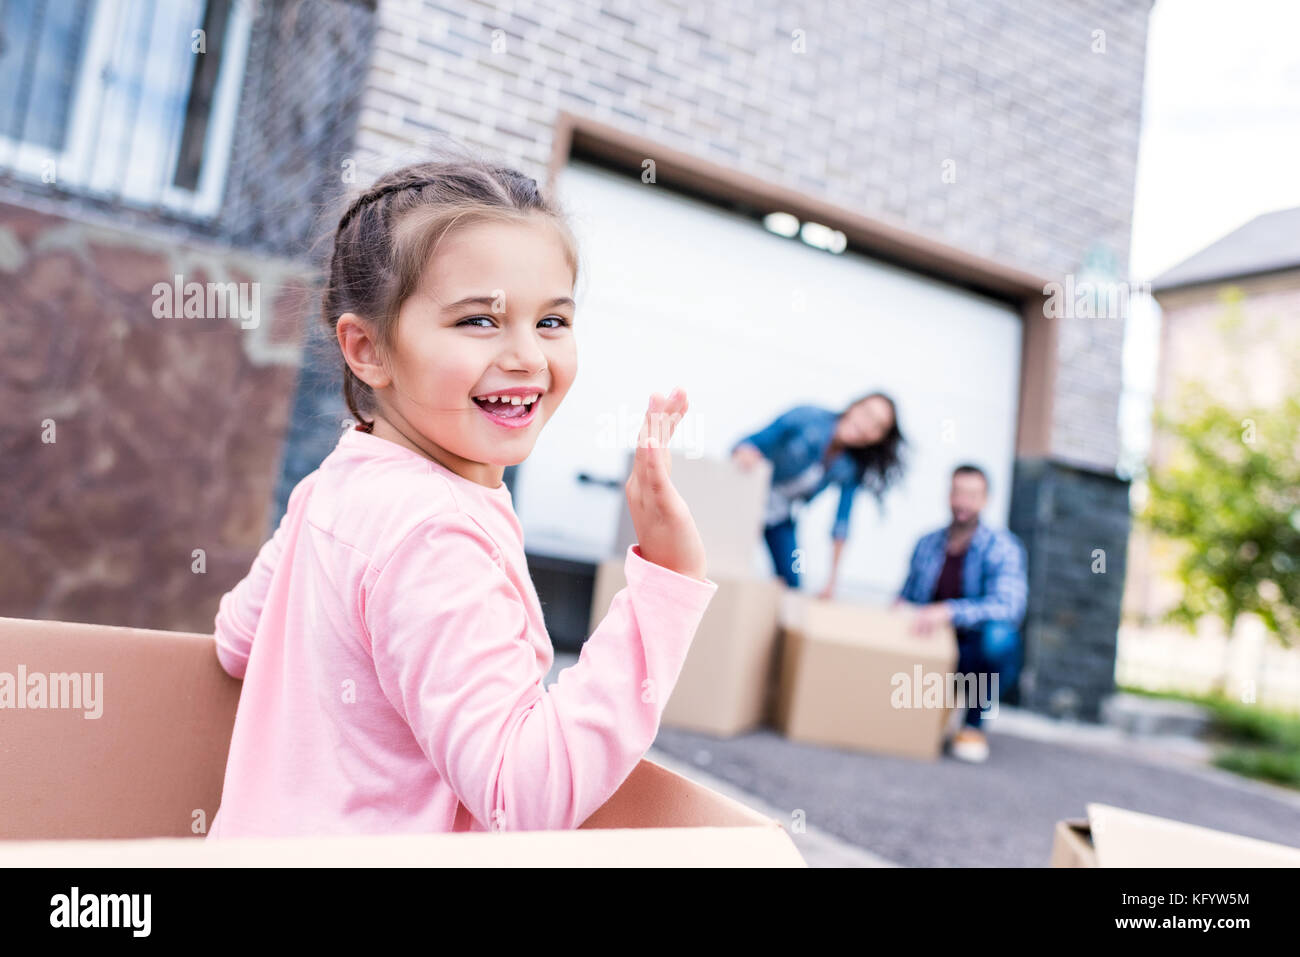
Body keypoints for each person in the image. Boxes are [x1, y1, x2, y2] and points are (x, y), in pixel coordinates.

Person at [207, 159, 718, 838]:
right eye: (480, 320)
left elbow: (238, 639)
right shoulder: (434, 531)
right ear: (368, 349)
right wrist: (667, 585)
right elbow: (522, 794)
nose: (528, 357)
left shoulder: (341, 479)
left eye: (552, 322)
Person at [898, 464, 1027, 763]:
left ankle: (973, 723)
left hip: (971, 647)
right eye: (957, 493)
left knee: (999, 638)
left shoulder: (1003, 547)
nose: (962, 502)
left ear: (985, 500)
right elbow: (907, 596)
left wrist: (949, 611)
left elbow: (1009, 607)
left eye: (971, 495)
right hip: (929, 642)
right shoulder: (927, 543)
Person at [730, 394, 905, 598]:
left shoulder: (851, 467)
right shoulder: (807, 416)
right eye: (867, 414)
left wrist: (832, 581)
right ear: (853, 407)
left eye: (878, 427)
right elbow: (753, 441)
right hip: (749, 499)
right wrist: (746, 452)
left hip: (780, 515)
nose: (867, 426)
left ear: (878, 439)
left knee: (792, 582)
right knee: (727, 563)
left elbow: (842, 523)